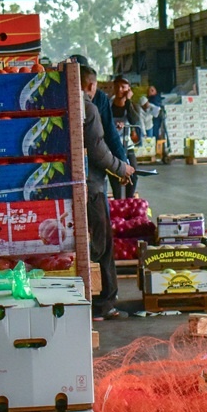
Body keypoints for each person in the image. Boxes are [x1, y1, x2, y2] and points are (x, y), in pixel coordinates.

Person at [80, 65, 134, 320]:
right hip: (91, 187)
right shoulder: (87, 108)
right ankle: (102, 304)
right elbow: (98, 149)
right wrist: (121, 167)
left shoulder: (61, 104)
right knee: (102, 244)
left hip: (73, 187)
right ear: (91, 85)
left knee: (87, 242)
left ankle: (85, 300)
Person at [109, 75, 142, 199]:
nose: (119, 90)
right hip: (112, 145)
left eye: (123, 87)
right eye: (117, 86)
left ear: (129, 89)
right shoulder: (108, 104)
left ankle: (129, 200)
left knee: (133, 173)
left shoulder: (132, 106)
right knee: (115, 175)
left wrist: (128, 101)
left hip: (127, 145)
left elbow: (135, 120)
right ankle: (118, 201)